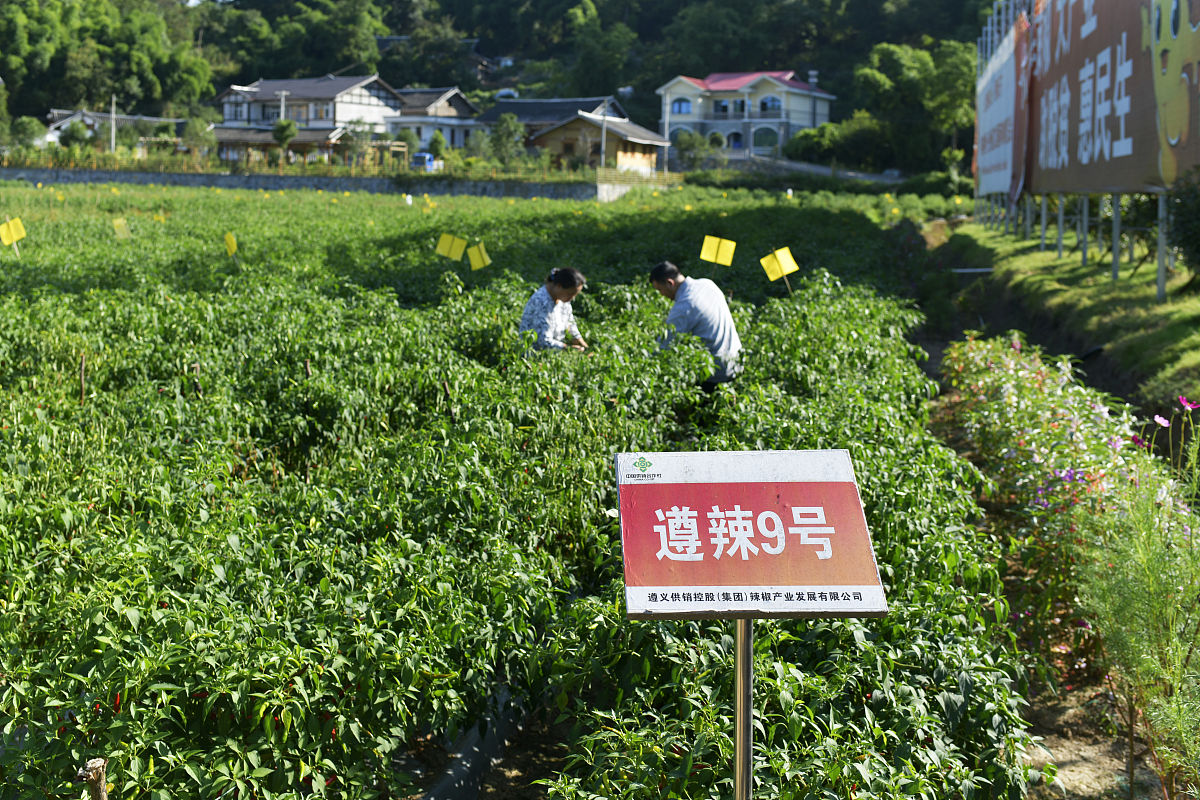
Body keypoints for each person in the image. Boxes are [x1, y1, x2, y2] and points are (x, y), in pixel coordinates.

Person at [650, 260, 742, 390]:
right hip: (736, 362)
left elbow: (664, 348)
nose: (661, 294)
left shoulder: (684, 306)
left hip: (715, 375)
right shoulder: (707, 284)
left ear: (670, 283)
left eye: (660, 289)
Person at [519, 267, 589, 351]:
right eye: (570, 294)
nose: (572, 298)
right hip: (534, 354)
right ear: (559, 286)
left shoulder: (563, 299)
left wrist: (579, 341)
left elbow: (570, 322)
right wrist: (568, 349)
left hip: (554, 350)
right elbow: (542, 341)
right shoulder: (541, 302)